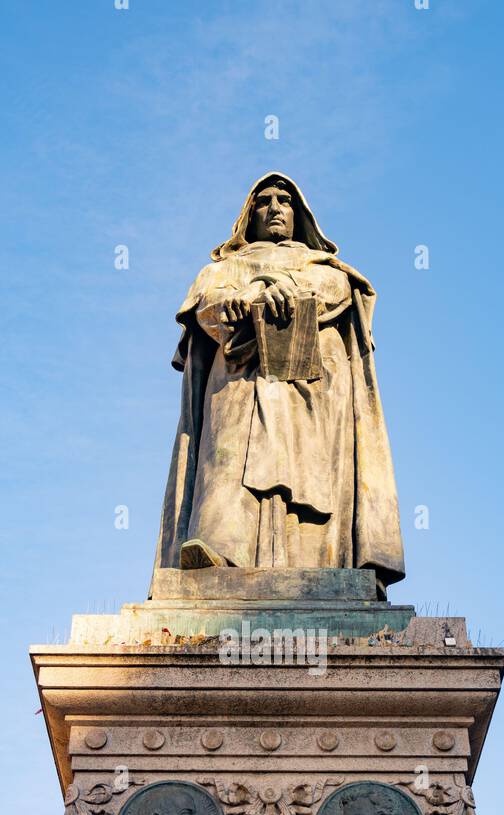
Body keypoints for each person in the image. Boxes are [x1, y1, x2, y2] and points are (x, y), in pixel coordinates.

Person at [154, 173, 405, 598]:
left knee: (306, 474)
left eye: (284, 201)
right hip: (238, 380)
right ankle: (216, 550)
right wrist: (242, 297)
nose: (275, 208)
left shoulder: (323, 267)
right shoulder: (223, 269)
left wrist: (286, 287)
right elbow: (203, 308)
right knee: (226, 459)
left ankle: (317, 565)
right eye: (265, 201)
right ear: (249, 217)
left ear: (298, 214)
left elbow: (340, 291)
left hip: (309, 389)